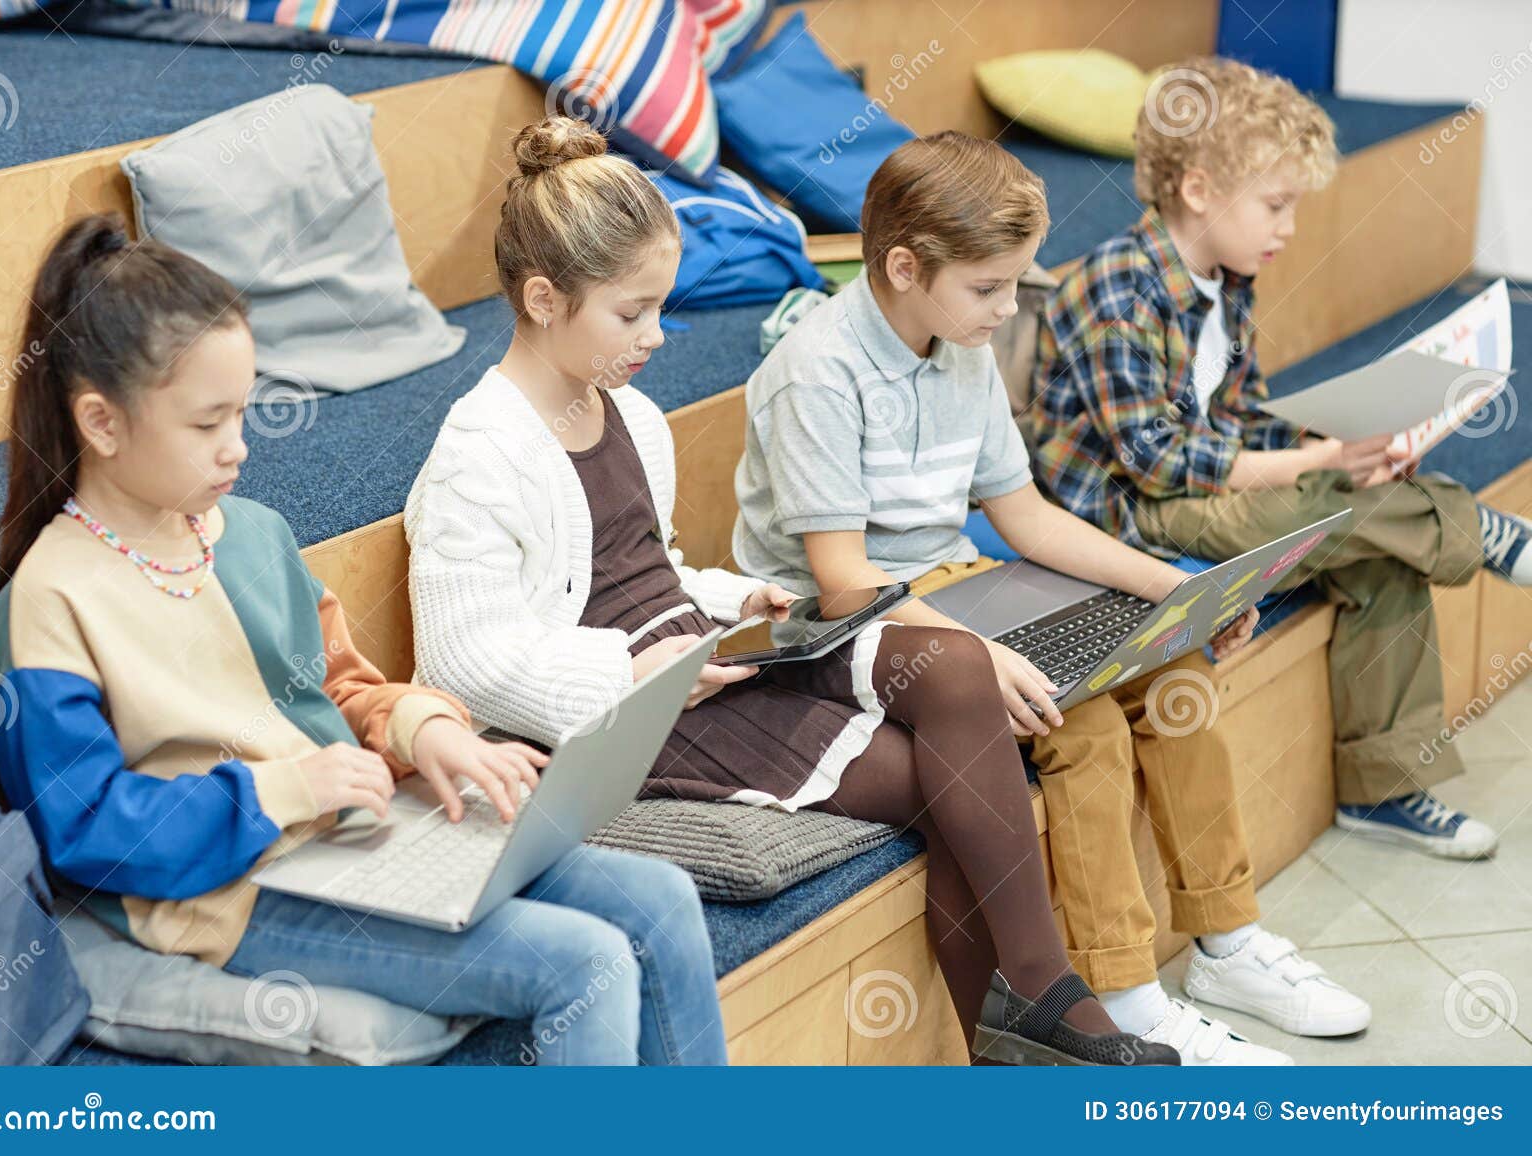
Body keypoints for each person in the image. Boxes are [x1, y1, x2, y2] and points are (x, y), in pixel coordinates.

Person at [404, 116, 1176, 1066]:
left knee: (957, 666)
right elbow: (461, 662)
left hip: (707, 656)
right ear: (542, 298)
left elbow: (661, 566)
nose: (657, 336)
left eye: (661, 308)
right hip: (631, 711)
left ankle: (1036, 1004)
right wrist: (636, 669)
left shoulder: (631, 413)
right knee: (952, 779)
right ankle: (1024, 1026)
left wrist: (736, 604)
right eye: (632, 313)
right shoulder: (476, 450)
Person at [0, 213, 726, 1066]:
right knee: (582, 961)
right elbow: (84, 830)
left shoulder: (247, 533)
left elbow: (341, 687)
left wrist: (424, 728)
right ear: (102, 425)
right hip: (234, 891)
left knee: (663, 900)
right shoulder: (50, 599)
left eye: (243, 412)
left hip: (356, 838)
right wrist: (287, 788)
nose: (239, 446)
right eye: (206, 423)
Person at [734, 129, 1368, 1063]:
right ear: (904, 266)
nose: (1007, 310)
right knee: (1083, 725)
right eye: (989, 288)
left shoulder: (960, 342)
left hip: (963, 588)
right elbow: (843, 582)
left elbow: (1025, 517)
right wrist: (983, 655)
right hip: (853, 624)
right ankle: (1126, 995)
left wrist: (1173, 589)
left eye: (1015, 285)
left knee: (1171, 668)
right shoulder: (817, 370)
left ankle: (1226, 941)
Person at [1032, 55, 1520, 865]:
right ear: (1198, 189)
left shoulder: (1228, 276)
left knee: (1378, 548)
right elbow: (1156, 461)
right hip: (1127, 513)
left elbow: (1239, 414)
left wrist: (1326, 447)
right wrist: (1314, 467)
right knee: (1336, 507)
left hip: (1194, 485)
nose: (1287, 227)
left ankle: (1384, 791)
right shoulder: (1118, 285)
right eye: (1275, 204)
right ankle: (1487, 536)